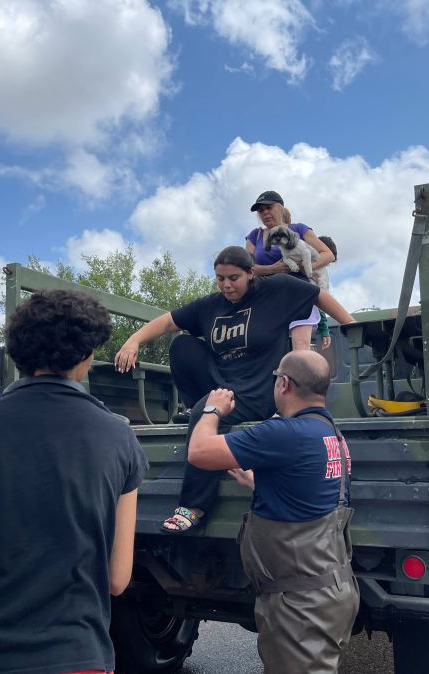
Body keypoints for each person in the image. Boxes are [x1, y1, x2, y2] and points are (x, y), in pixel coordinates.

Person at [0, 289, 148, 674]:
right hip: (78, 654)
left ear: (17, 353)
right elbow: (118, 579)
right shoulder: (119, 437)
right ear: (86, 356)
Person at [114, 245, 354, 534]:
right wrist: (134, 341)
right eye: (220, 278)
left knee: (206, 410)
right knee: (182, 345)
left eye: (234, 278)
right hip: (222, 381)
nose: (226, 285)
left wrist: (351, 326)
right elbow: (167, 321)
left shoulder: (276, 289)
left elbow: (318, 296)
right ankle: (200, 407)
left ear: (251, 274)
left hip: (259, 389)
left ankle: (194, 506)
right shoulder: (211, 306)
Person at [187, 350, 359, 673]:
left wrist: (212, 409)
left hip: (301, 606)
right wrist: (258, 482)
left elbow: (199, 452)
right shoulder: (331, 434)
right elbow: (312, 496)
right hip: (323, 592)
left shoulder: (285, 432)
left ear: (284, 384)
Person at [246, 190, 335, 350]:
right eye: (261, 210)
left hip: (299, 298)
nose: (265, 213)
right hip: (266, 301)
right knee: (270, 351)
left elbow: (328, 255)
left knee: (300, 349)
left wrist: (305, 268)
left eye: (268, 207)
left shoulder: (299, 229)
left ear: (280, 207)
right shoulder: (255, 236)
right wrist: (274, 268)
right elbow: (246, 269)